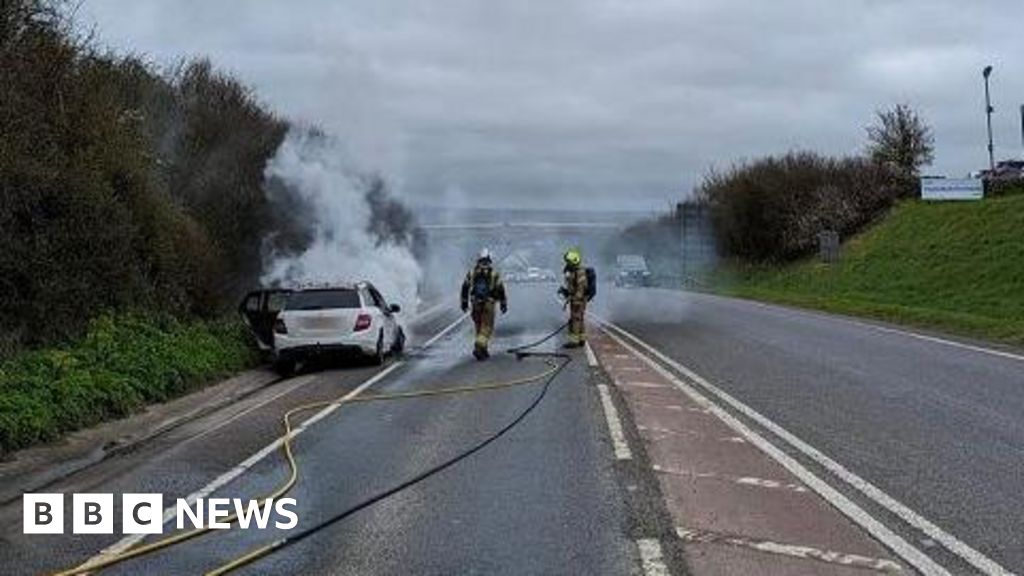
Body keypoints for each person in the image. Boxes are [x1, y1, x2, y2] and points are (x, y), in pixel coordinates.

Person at [460, 248, 508, 360]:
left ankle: (482, 350)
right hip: (489, 304)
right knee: (487, 327)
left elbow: (465, 288)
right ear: (489, 260)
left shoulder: (471, 273)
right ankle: (479, 345)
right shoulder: (494, 274)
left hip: (475, 303)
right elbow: (501, 289)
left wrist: (464, 303)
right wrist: (503, 304)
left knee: (479, 327)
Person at [559, 248, 588, 348]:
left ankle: (574, 342)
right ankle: (581, 339)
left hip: (578, 300)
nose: (567, 264)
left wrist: (576, 300)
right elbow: (572, 287)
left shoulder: (579, 272)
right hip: (576, 299)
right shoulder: (574, 271)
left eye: (568, 262)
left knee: (575, 320)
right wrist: (565, 291)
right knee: (579, 319)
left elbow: (581, 288)